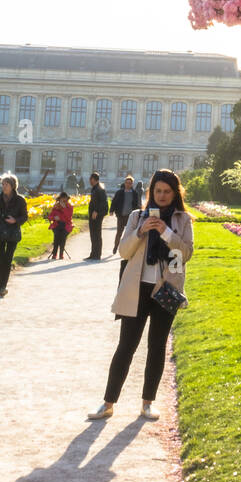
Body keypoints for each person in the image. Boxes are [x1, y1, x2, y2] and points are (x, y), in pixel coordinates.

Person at [87, 169, 194, 421]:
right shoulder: (137, 216)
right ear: (151, 192)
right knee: (125, 347)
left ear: (175, 193)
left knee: (156, 347)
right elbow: (124, 251)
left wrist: (166, 232)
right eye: (158, 191)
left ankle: (147, 402)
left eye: (167, 191)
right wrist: (142, 231)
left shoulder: (183, 219)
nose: (162, 195)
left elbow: (185, 253)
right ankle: (108, 402)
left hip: (165, 290)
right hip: (137, 289)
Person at [0, 174, 28, 297]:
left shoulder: (20, 200)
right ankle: (1, 286)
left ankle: (3, 286)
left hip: (12, 233)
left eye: (6, 184)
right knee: (0, 258)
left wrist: (15, 220)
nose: (4, 187)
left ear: (13, 186)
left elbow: (25, 216)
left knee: (8, 259)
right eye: (3, 184)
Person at [110, 175, 140, 254]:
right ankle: (115, 247)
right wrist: (111, 210)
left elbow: (137, 204)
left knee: (130, 233)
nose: (128, 184)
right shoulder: (119, 192)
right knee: (119, 232)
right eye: (127, 183)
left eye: (130, 183)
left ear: (132, 184)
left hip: (130, 217)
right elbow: (114, 201)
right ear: (124, 183)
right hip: (121, 215)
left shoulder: (134, 193)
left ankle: (129, 249)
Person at [85, 172, 109, 260]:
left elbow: (103, 202)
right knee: (93, 234)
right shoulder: (95, 188)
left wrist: (96, 211)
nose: (89, 181)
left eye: (90, 179)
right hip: (94, 214)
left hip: (97, 214)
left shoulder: (99, 189)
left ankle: (97, 254)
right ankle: (93, 253)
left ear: (93, 179)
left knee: (96, 234)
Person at [47, 192, 73, 260]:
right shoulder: (56, 206)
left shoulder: (69, 207)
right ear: (60, 199)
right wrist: (54, 218)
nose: (64, 202)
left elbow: (68, 217)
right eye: (62, 200)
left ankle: (61, 254)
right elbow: (50, 216)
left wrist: (64, 208)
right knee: (57, 236)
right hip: (57, 225)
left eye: (65, 200)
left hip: (66, 225)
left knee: (63, 236)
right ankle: (54, 254)